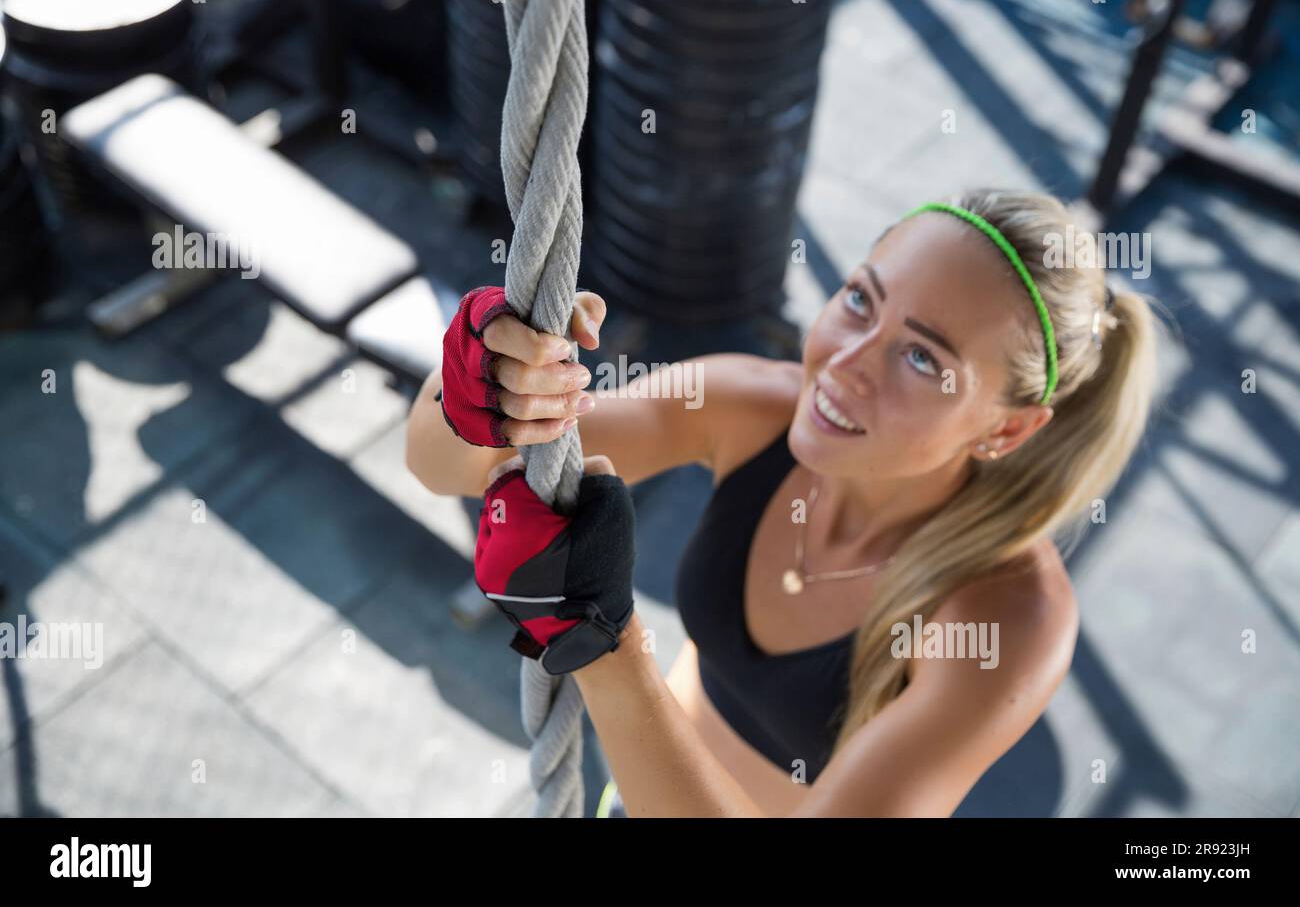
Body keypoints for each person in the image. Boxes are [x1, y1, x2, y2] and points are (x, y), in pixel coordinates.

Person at [406, 188, 1163, 816]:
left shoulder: (1005, 618)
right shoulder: (753, 404)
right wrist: (482, 387)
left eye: (922, 357)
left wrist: (609, 653)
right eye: (862, 300)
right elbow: (448, 465)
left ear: (1009, 428)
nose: (847, 362)